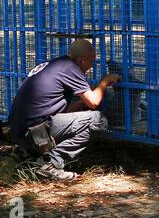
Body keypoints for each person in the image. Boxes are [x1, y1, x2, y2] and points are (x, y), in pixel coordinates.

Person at [7, 38, 119, 181]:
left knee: (82, 114)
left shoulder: (55, 65)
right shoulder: (71, 68)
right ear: (82, 60)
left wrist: (80, 104)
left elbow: (59, 110)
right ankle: (49, 164)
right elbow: (93, 102)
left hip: (19, 131)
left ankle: (28, 152)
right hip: (35, 132)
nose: (91, 66)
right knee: (98, 120)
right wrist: (105, 81)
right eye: (91, 62)